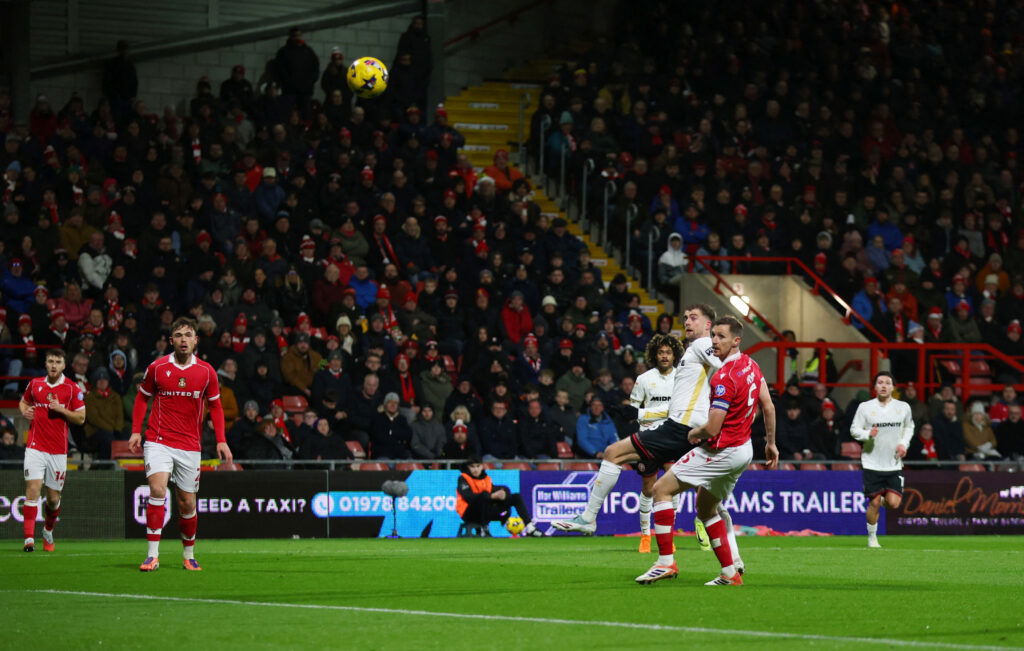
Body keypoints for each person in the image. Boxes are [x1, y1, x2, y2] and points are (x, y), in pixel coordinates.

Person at [555, 305, 739, 563]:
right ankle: (732, 562)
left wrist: (736, 389)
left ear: (709, 325)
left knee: (613, 454)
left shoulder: (701, 345)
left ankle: (589, 518)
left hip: (681, 428)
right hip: (696, 431)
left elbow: (728, 367)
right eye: (685, 317)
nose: (687, 321)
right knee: (706, 504)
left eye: (693, 318)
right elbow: (728, 369)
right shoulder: (690, 354)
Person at [634, 316, 777, 586]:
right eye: (713, 336)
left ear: (737, 340)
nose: (714, 341)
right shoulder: (752, 365)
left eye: (721, 336)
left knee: (661, 490)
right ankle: (730, 572)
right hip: (743, 450)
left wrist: (692, 433)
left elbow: (711, 429)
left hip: (720, 450)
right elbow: (768, 407)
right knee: (706, 508)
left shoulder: (724, 377)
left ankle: (665, 562)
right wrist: (770, 443)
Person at [129, 317, 233, 571]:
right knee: (157, 489)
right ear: (171, 340)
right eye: (178, 335)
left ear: (196, 340)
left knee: (187, 502)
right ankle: (152, 555)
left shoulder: (206, 372)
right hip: (158, 439)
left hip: (189, 444)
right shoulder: (157, 367)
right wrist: (136, 431)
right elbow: (142, 399)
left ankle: (189, 554)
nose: (183, 339)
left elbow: (216, 406)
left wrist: (221, 439)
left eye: (188, 335)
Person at [18, 349, 86, 552]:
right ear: (46, 364)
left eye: (58, 361)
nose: (54, 365)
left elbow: (81, 418)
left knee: (54, 499)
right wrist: (25, 411)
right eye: (50, 361)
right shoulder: (35, 384)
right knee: (32, 490)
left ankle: (48, 529)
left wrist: (62, 410)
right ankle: (29, 539)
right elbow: (23, 402)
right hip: (35, 446)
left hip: (57, 450)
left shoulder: (72, 389)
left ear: (64, 365)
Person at [629, 334, 686, 553]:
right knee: (648, 488)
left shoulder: (681, 377)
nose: (664, 356)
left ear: (674, 355)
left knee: (673, 486)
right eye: (661, 352)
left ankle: (667, 535)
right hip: (649, 440)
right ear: (655, 354)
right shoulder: (644, 379)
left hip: (672, 437)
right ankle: (645, 535)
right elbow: (633, 410)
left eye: (668, 352)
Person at [849, 371, 915, 549]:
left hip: (893, 463)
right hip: (871, 462)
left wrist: (903, 444)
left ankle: (881, 496)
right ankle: (872, 538)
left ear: (893, 387)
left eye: (887, 382)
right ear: (875, 387)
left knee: (893, 503)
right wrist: (867, 434)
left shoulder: (903, 407)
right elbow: (854, 429)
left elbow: (909, 427)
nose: (884, 385)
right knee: (875, 502)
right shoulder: (865, 407)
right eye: (880, 382)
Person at [455, 456, 540, 537]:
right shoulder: (463, 478)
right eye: (472, 467)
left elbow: (494, 489)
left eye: (478, 466)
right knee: (483, 497)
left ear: (482, 466)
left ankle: (530, 527)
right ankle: (483, 529)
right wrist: (490, 496)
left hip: (486, 511)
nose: (476, 469)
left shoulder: (486, 478)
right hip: (468, 513)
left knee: (515, 497)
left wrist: (504, 494)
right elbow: (468, 497)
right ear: (468, 467)